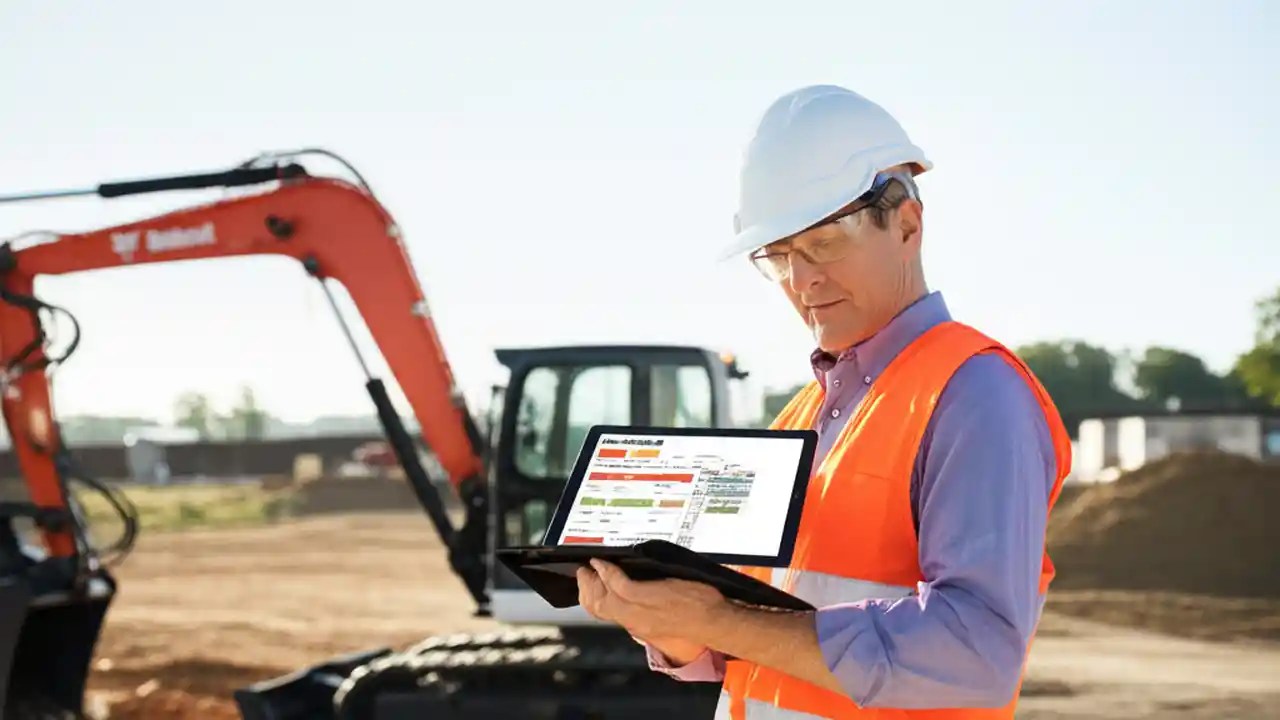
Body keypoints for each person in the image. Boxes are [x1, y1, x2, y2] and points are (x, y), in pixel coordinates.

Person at [575, 84, 1073, 719]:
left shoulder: (975, 394)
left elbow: (976, 654)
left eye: (824, 243)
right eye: (779, 255)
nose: (801, 279)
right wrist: (666, 621)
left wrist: (719, 621)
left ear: (907, 225)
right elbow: (747, 638)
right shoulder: (799, 418)